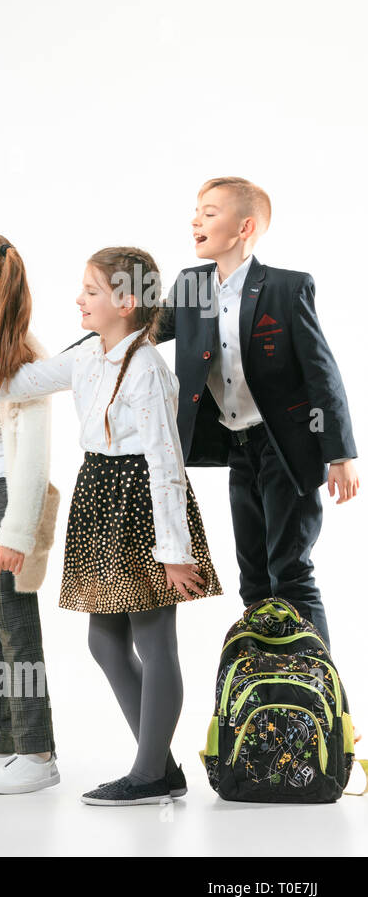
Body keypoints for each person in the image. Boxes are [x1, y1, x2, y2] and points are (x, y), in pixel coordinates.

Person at [0, 247, 224, 805]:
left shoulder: (149, 371)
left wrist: (173, 549)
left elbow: (165, 464)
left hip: (140, 503)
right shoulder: (87, 356)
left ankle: (151, 772)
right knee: (104, 640)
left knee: (154, 640)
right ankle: (160, 766)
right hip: (99, 495)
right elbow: (9, 383)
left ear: (126, 302)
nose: (78, 299)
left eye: (90, 291)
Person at [156, 177, 358, 643]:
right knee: (253, 578)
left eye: (209, 212)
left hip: (286, 445)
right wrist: (66, 357)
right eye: (196, 211)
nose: (195, 219)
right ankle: (268, 683)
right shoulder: (192, 285)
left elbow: (321, 374)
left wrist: (340, 455)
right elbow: (139, 332)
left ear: (244, 226)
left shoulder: (287, 288)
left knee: (290, 571)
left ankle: (321, 695)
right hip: (238, 447)